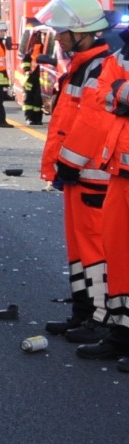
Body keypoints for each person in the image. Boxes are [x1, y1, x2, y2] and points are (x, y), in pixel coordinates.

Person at [35, 0, 118, 344]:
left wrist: (67, 163)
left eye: (62, 32)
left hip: (91, 174)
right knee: (79, 250)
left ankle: (100, 318)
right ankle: (83, 313)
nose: (58, 38)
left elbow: (92, 122)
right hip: (77, 173)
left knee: (96, 252)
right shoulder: (82, 65)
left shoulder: (98, 68)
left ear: (83, 33)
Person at [90, 44, 129, 369]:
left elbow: (116, 93)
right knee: (117, 254)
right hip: (120, 170)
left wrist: (121, 92)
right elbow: (105, 95)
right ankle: (121, 333)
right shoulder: (120, 55)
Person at [18, 17, 50, 126]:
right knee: (29, 98)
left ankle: (37, 119)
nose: (43, 37)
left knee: (38, 99)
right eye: (42, 36)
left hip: (41, 77)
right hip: (30, 76)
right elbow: (25, 59)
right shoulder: (35, 48)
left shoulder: (48, 48)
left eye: (45, 36)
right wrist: (27, 70)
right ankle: (29, 118)